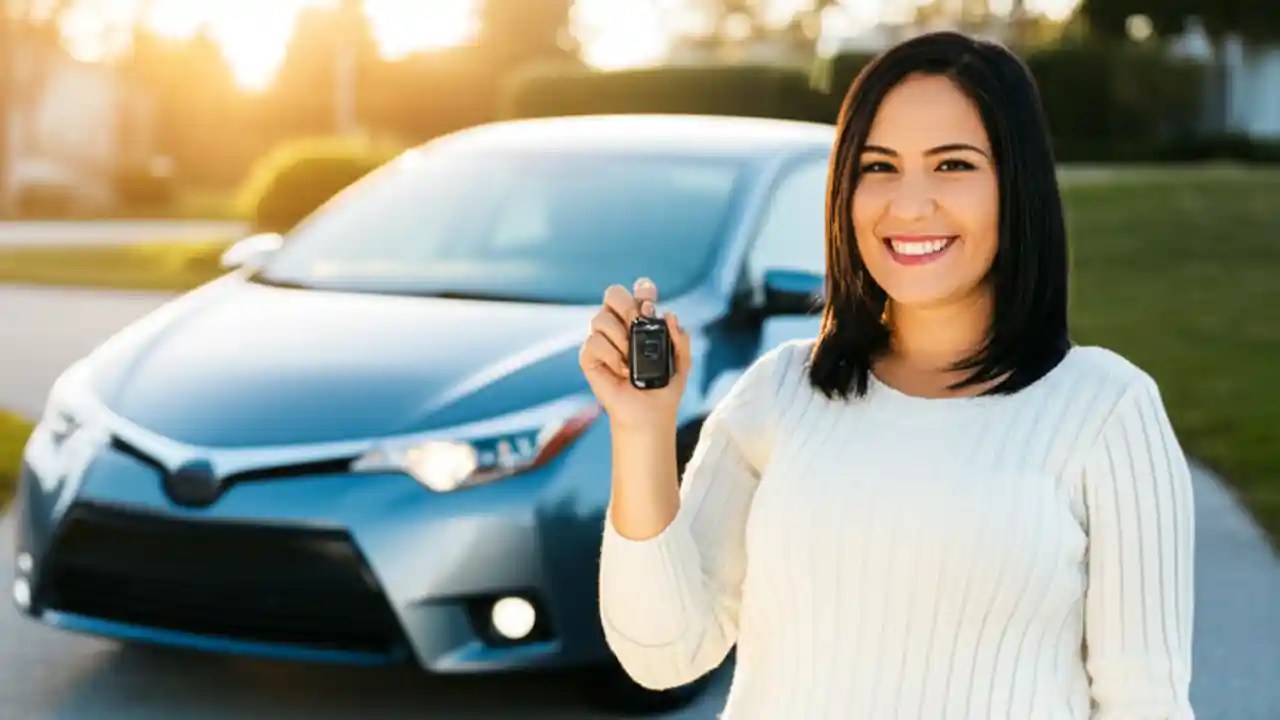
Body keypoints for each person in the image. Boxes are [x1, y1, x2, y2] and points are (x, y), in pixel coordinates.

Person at [578, 30, 1195, 719]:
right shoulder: (779, 393)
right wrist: (641, 431)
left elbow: (1147, 703)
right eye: (879, 167)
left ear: (1015, 185)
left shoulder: (1107, 410)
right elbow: (664, 655)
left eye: (953, 165)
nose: (909, 204)